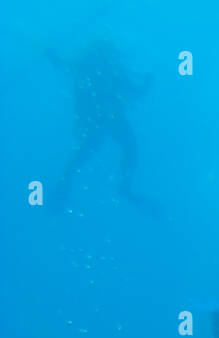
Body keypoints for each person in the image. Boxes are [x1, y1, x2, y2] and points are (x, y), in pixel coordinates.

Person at [47, 41, 160, 217]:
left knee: (86, 152)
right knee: (129, 147)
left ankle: (65, 181)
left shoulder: (86, 65)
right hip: (112, 118)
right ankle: (125, 187)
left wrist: (49, 53)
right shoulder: (111, 68)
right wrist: (148, 81)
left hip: (95, 119)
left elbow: (64, 65)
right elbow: (135, 91)